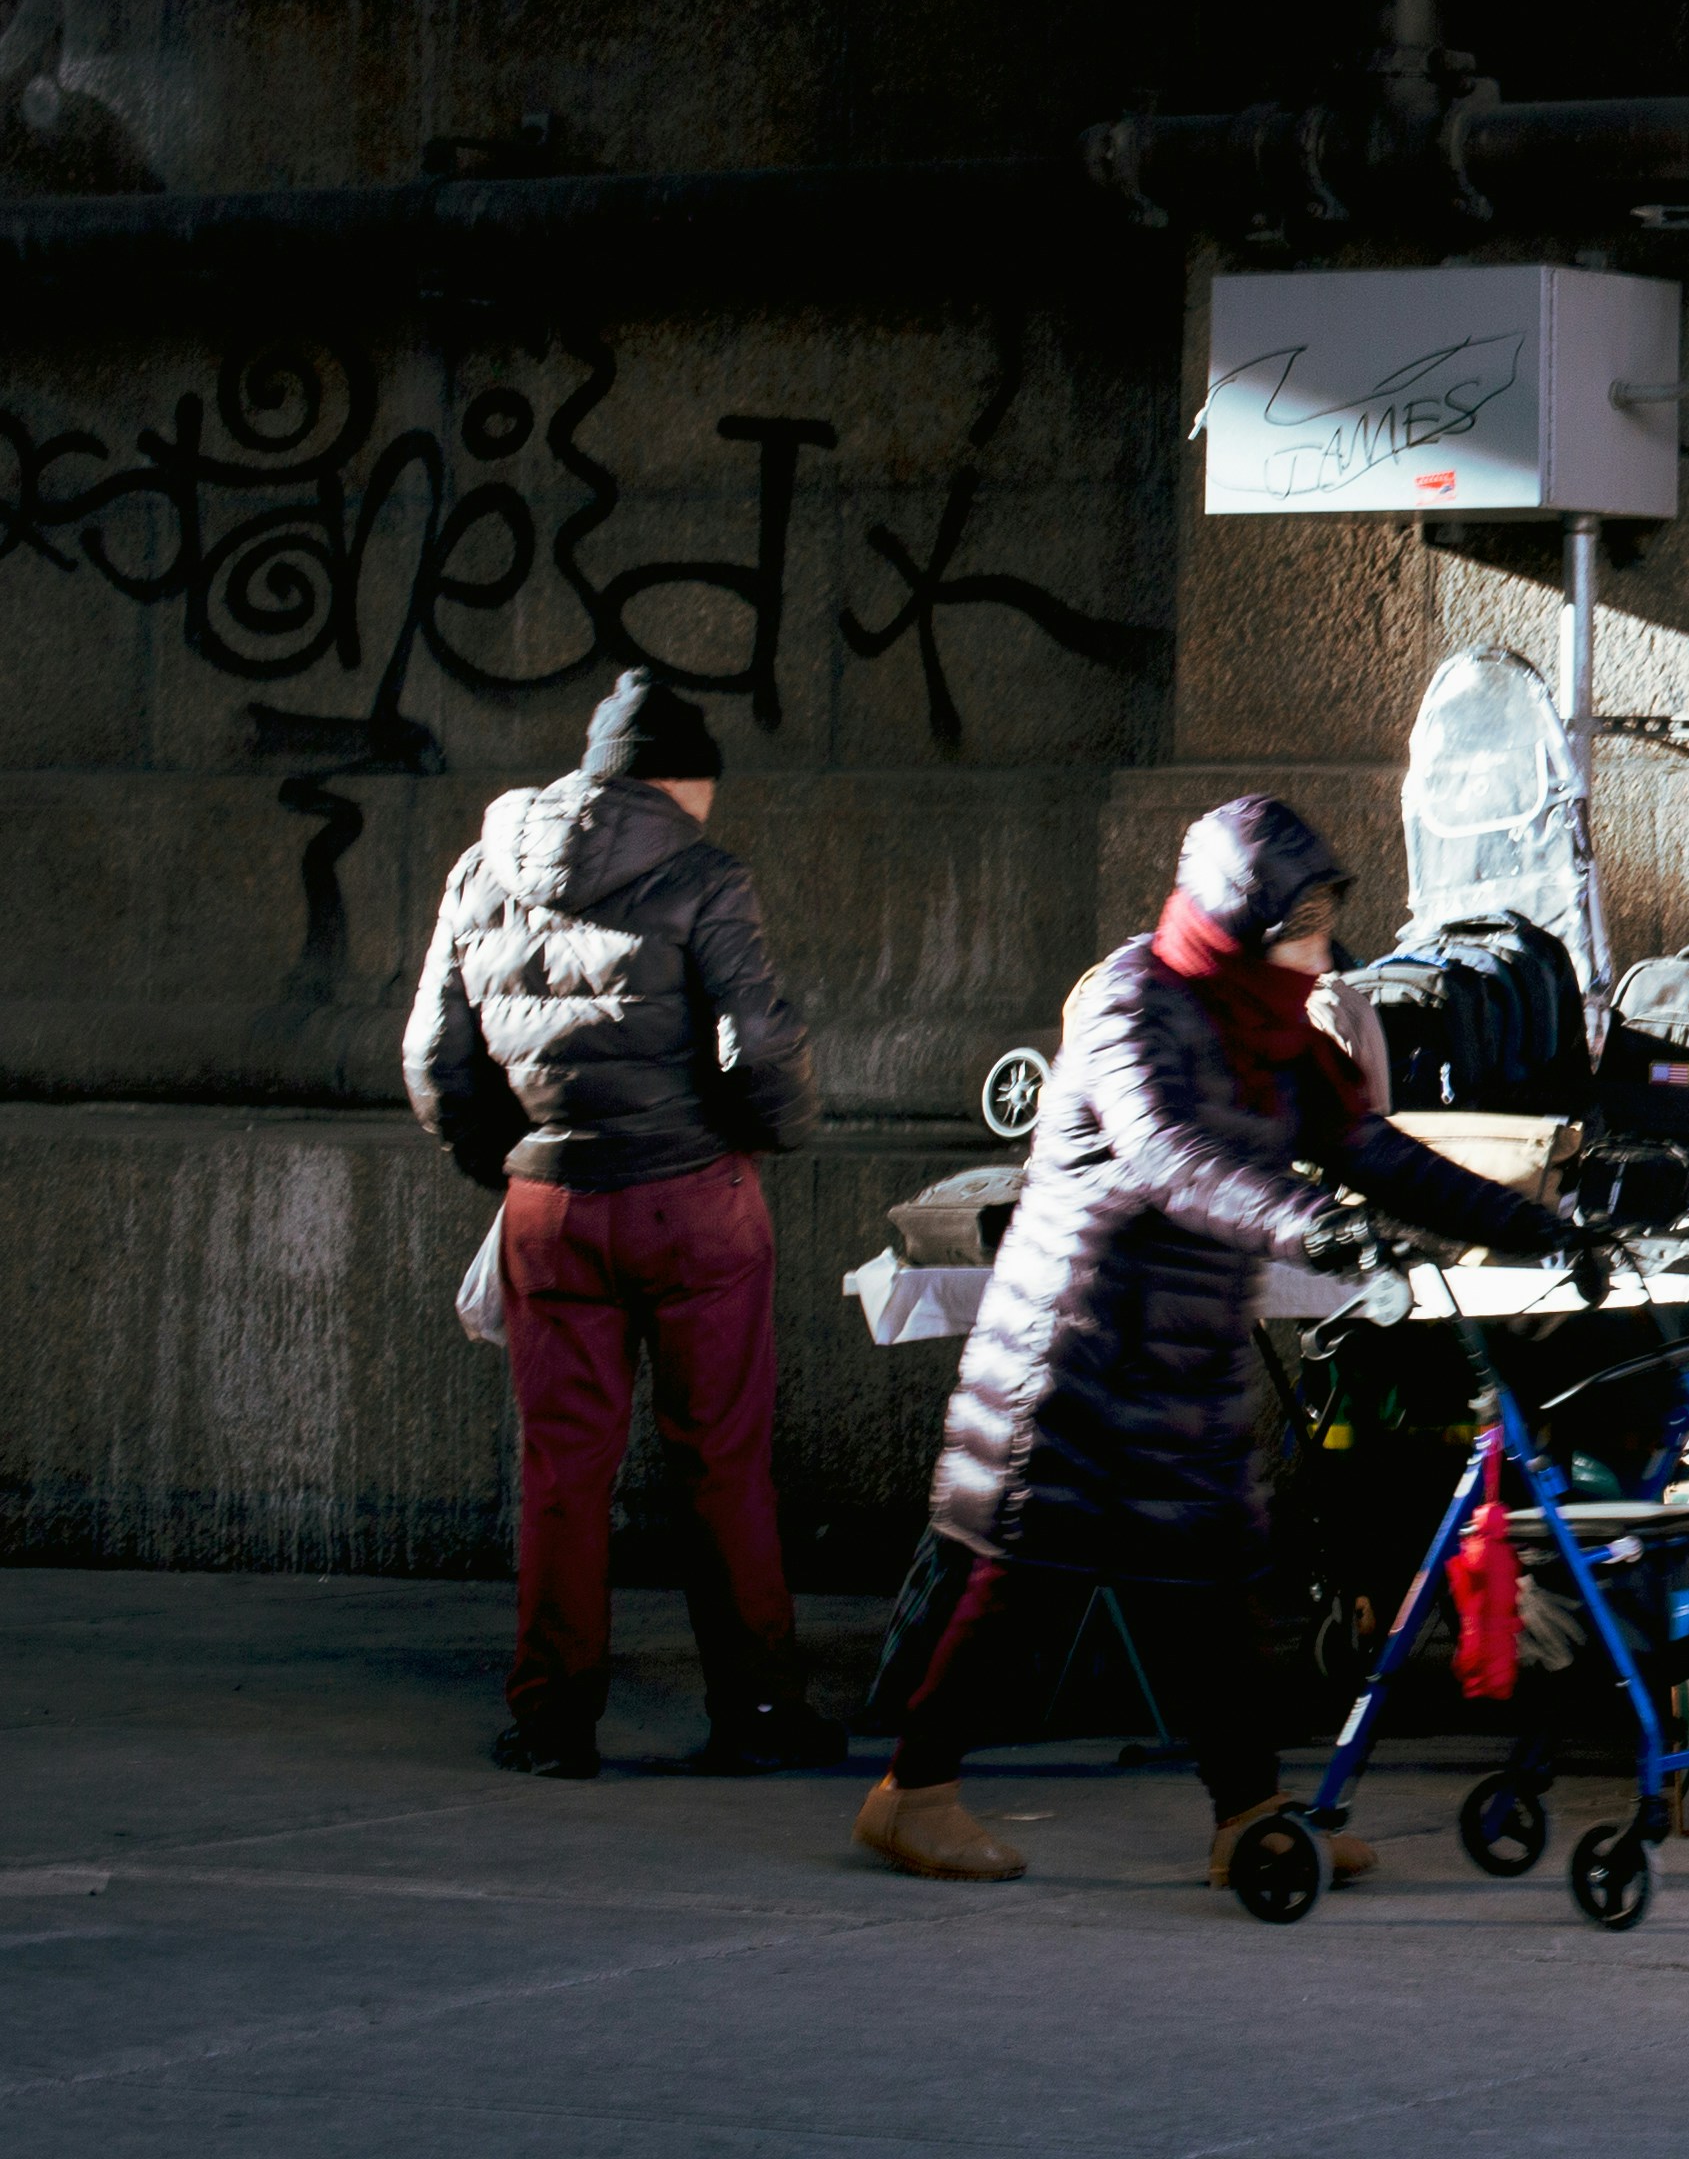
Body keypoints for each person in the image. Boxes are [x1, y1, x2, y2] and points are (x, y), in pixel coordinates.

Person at [852, 795, 1577, 1887]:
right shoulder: (1132, 999)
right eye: (1300, 927)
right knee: (1023, 1576)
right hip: (1077, 1339)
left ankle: (1248, 1816)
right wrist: (1309, 1223)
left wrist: (1534, 1227)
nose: (1320, 951)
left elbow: (1366, 1149)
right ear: (1240, 923)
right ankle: (912, 1796)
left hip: (1185, 1348)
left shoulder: (1273, 1023)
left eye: (1324, 923)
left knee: (1213, 1585)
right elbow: (1165, 1154)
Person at [406, 670, 831, 1782]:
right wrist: (771, 1131)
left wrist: (513, 1161)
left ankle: (552, 1722)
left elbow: (434, 1060)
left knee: (561, 1471)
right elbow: (760, 1050)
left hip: (549, 1206)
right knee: (722, 1462)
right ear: (685, 783)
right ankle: (756, 1713)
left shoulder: (482, 867)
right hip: (694, 1201)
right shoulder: (703, 873)